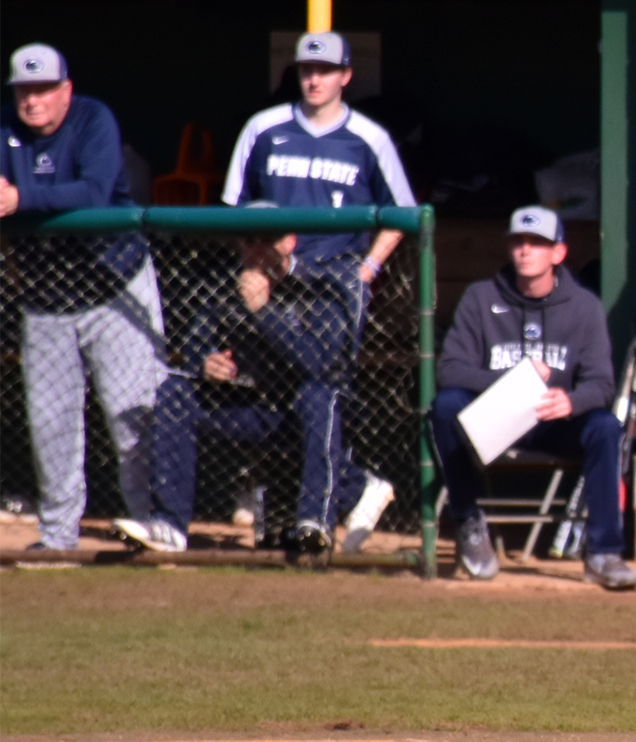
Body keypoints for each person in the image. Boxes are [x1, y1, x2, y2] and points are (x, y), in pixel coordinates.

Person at [221, 30, 409, 552]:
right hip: (274, 282)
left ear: (346, 76)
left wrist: (366, 271)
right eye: (307, 69)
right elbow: (234, 209)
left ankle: (315, 517)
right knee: (282, 397)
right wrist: (252, 267)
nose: (315, 78)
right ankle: (355, 487)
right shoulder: (263, 128)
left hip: (333, 283)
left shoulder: (368, 138)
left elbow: (402, 215)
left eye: (326, 70)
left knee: (319, 389)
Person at [113, 215, 377, 554]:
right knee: (175, 393)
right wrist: (207, 362)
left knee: (318, 396)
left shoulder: (317, 285)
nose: (254, 250)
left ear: (288, 242)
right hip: (250, 407)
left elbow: (318, 366)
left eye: (265, 240)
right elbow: (195, 346)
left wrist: (265, 313)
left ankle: (316, 524)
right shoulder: (228, 285)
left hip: (303, 412)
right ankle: (169, 525)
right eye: (248, 240)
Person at [0, 44, 168, 554]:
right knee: (51, 426)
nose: (33, 100)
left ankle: (152, 527)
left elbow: (94, 193)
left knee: (132, 416)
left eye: (44, 89)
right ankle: (58, 538)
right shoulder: (5, 129)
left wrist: (20, 200)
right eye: (24, 90)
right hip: (46, 297)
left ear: (65, 89)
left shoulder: (94, 118)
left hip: (113, 289)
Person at [429, 206, 636, 591]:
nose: (526, 250)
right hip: (497, 421)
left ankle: (604, 552)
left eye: (537, 243)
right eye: (519, 242)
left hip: (553, 422)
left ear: (558, 253)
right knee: (445, 406)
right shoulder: (481, 297)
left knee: (605, 426)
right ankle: (468, 521)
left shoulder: (584, 307)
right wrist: (510, 379)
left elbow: (602, 384)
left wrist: (572, 402)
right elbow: (450, 371)